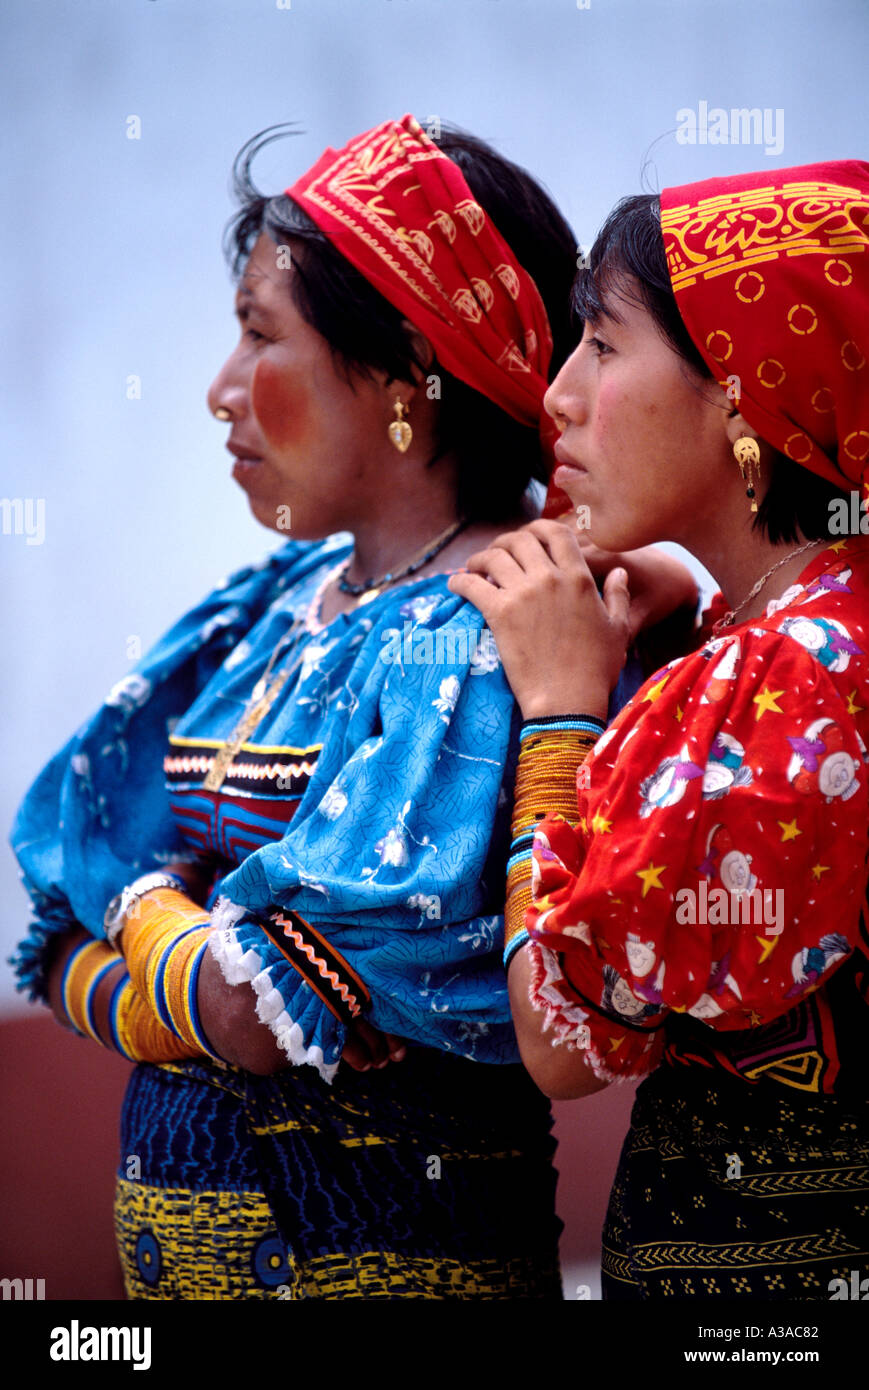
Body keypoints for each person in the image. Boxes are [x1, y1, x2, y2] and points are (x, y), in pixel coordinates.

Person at [10, 115, 696, 1300]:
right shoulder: (266, 607)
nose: (218, 393)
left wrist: (132, 915)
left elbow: (251, 1005)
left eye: (257, 337)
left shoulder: (494, 628)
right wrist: (165, 942)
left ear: (400, 380)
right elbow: (60, 894)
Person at [450, 159, 869, 1300]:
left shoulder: (780, 676)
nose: (558, 395)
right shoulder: (804, 633)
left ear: (740, 391)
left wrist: (560, 709)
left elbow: (561, 1037)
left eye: (601, 343)